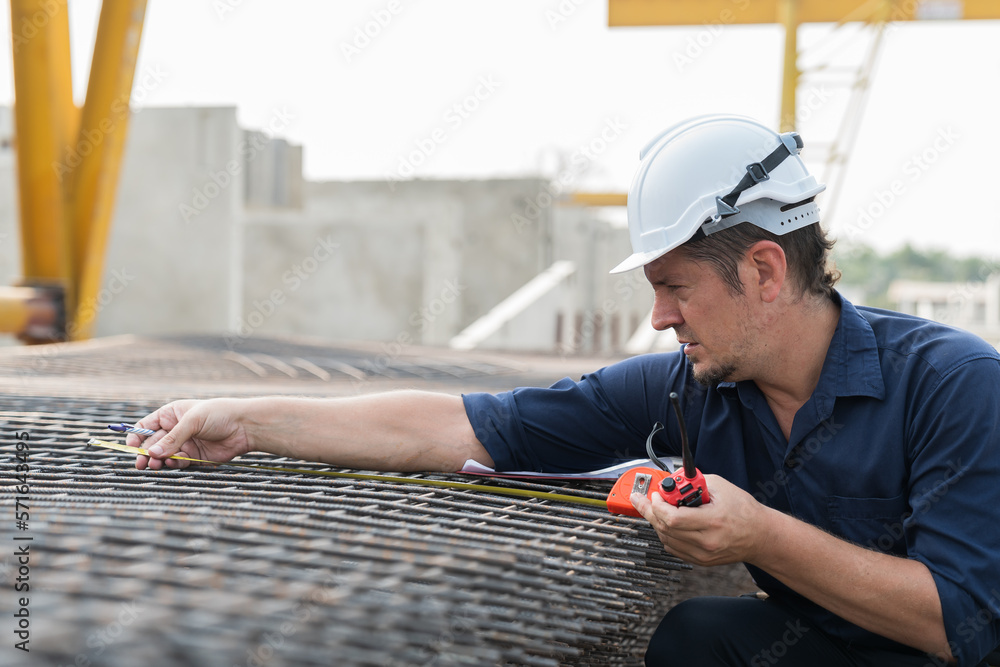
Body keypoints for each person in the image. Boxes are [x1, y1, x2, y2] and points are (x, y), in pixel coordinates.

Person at [134, 115, 1000, 667]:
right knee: (699, 639)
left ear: (766, 271)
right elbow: (463, 428)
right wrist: (245, 419)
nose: (658, 317)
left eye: (676, 287)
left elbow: (960, 622)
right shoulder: (692, 387)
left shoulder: (955, 385)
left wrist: (760, 534)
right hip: (839, 647)